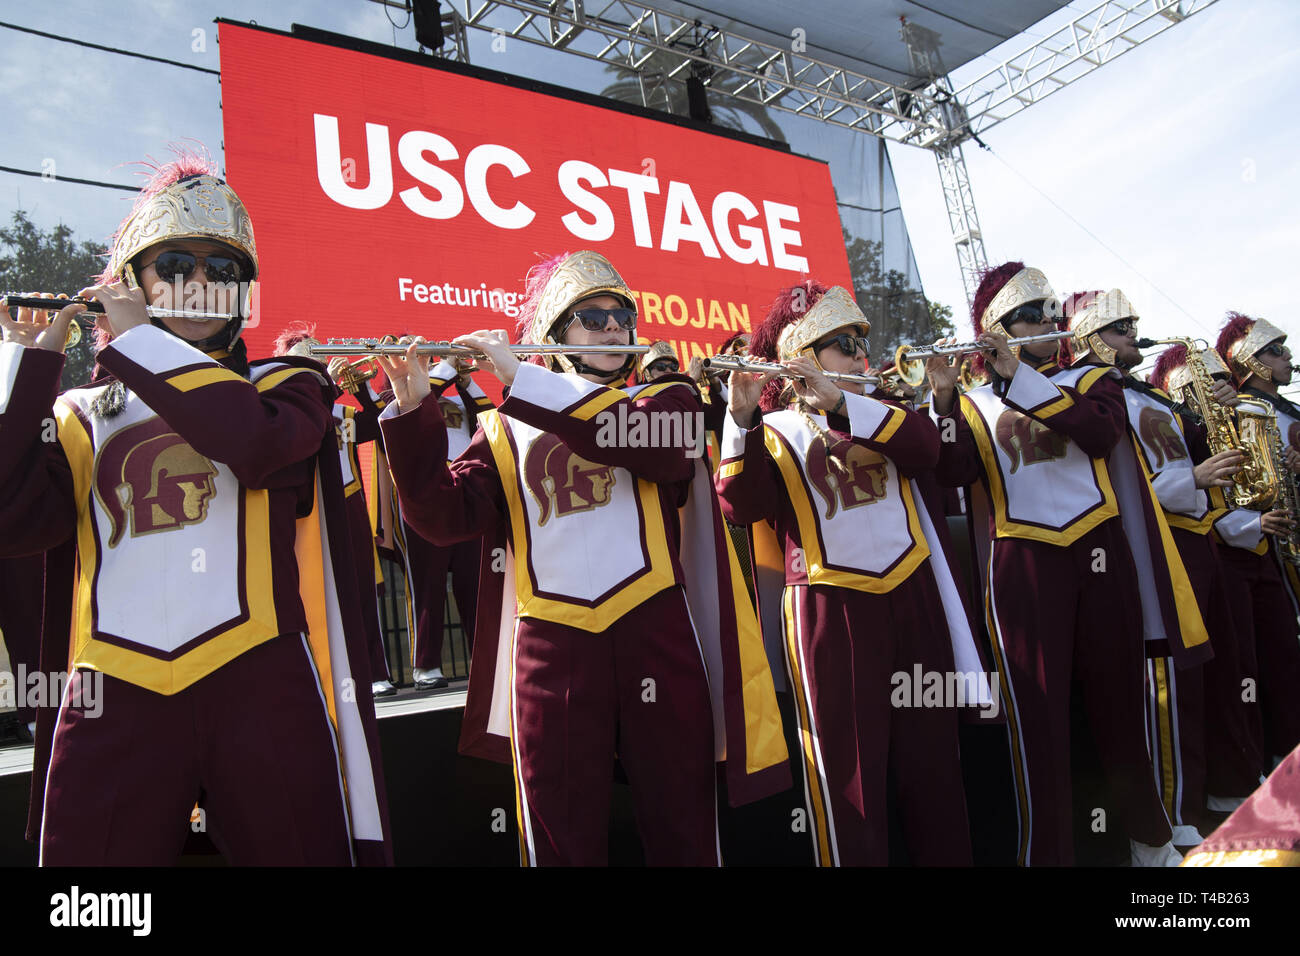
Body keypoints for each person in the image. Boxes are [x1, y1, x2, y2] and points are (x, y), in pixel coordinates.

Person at [0, 151, 389, 865]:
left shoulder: (288, 385)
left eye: (224, 271)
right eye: (175, 265)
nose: (201, 284)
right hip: (112, 686)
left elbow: (253, 444)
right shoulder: (80, 413)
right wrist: (24, 374)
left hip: (261, 677)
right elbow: (12, 521)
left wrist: (137, 343)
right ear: (130, 284)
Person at [376, 250, 788, 865]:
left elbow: (654, 449)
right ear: (553, 340)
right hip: (552, 647)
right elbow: (440, 519)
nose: (614, 327)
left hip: (657, 632)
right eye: (591, 319)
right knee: (562, 837)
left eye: (622, 315)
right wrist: (412, 409)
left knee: (685, 828)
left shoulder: (664, 402)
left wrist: (523, 382)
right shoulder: (501, 429)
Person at [926, 262, 1186, 867]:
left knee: (1122, 707)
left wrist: (1017, 376)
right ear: (997, 329)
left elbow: (1097, 435)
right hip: (1023, 566)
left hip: (1099, 554)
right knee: (1037, 724)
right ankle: (1047, 854)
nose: (1049, 321)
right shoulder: (970, 402)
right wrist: (941, 397)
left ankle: (1151, 841)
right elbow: (948, 472)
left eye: (1050, 311)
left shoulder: (1093, 378)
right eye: (1031, 315)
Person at [715, 280, 982, 866]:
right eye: (843, 343)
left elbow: (929, 451)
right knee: (848, 781)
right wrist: (740, 416)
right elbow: (739, 502)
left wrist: (839, 402)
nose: (862, 354)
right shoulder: (774, 428)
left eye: (863, 339)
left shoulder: (884, 412)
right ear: (804, 358)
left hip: (913, 595)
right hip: (828, 610)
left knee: (934, 767)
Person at [1065, 290, 1247, 842]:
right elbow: (1129, 488)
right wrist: (1190, 480)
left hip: (1194, 539)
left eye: (1133, 324)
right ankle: (1174, 817)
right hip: (1149, 547)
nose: (1134, 334)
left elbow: (1184, 454)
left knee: (1204, 682)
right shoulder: (1095, 393)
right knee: (1165, 686)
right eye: (1121, 327)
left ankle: (1210, 796)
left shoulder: (1147, 397)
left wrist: (1219, 407)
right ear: (1093, 337)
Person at [1150, 343, 1276, 811]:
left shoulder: (1200, 423)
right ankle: (1207, 791)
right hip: (1198, 550)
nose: (1223, 387)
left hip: (1224, 549)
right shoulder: (1151, 410)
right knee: (1206, 674)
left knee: (1248, 666)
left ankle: (1244, 770)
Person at [276, 324, 396, 697]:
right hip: (306, 510)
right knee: (314, 593)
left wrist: (355, 384)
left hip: (348, 503)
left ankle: (375, 671)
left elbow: (377, 426)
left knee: (362, 588)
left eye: (317, 355)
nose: (316, 363)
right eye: (305, 358)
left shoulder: (341, 412)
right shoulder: (283, 410)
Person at [1213, 313, 1300, 765]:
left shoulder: (1289, 411)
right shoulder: (1245, 411)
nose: (1287, 358)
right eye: (1275, 350)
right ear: (1250, 361)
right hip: (1268, 549)